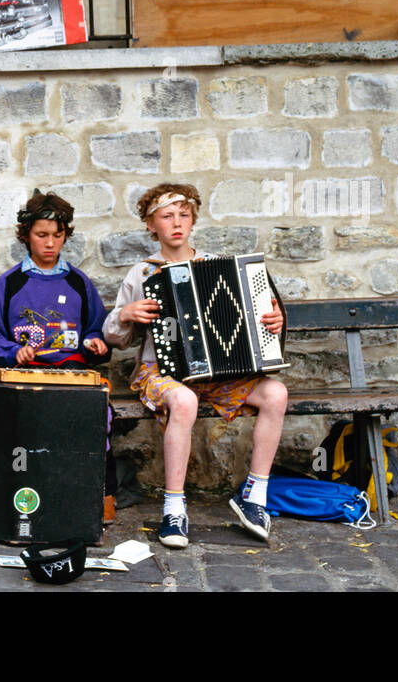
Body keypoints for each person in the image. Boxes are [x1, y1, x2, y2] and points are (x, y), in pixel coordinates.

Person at [102, 182, 287, 547]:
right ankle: (174, 509)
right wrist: (126, 314)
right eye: (167, 216)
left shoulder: (215, 267)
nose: (177, 223)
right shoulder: (142, 274)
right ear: (151, 225)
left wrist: (273, 321)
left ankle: (254, 496)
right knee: (183, 401)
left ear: (193, 221)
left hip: (215, 375)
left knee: (276, 393)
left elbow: (260, 315)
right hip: (159, 371)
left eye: (184, 215)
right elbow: (115, 338)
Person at [0, 190, 108, 367]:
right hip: (23, 369)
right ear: (26, 235)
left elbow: (95, 327)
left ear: (65, 236)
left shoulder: (79, 282)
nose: (50, 243)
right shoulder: (11, 282)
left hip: (71, 369)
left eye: (57, 235)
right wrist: (14, 352)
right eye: (42, 235)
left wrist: (94, 342)